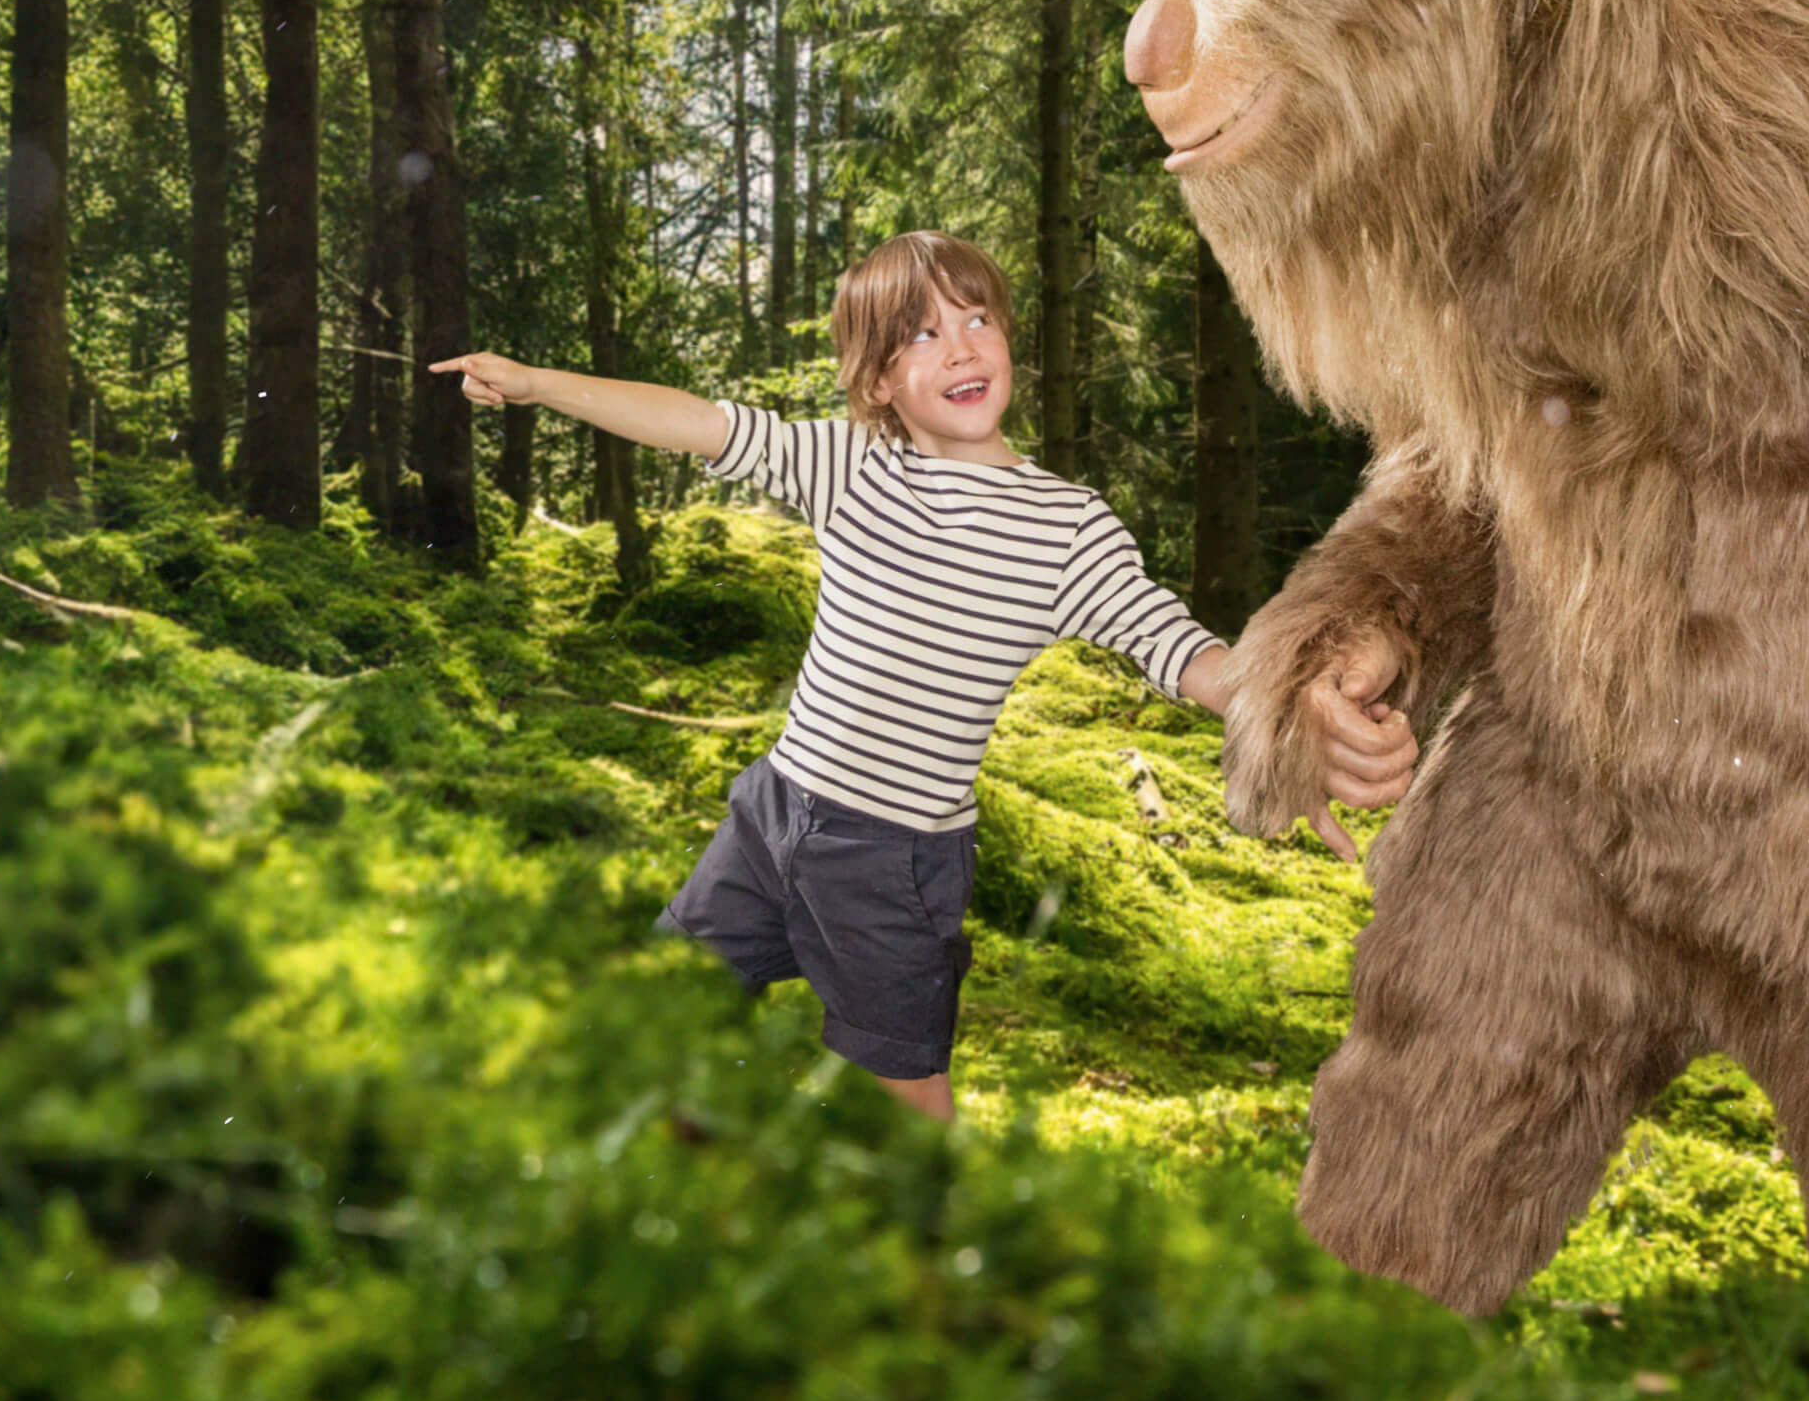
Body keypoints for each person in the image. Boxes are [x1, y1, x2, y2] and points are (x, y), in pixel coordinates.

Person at [432, 230, 1414, 1122]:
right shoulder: (851, 466)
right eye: (921, 335)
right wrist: (537, 383)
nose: (960, 348)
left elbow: (1181, 651)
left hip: (893, 862)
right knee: (658, 1016)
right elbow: (697, 423)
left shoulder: (1065, 527)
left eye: (977, 319)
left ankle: (935, 1254)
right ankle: (689, 1201)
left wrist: (1290, 709)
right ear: (878, 384)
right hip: (769, 818)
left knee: (901, 1097)